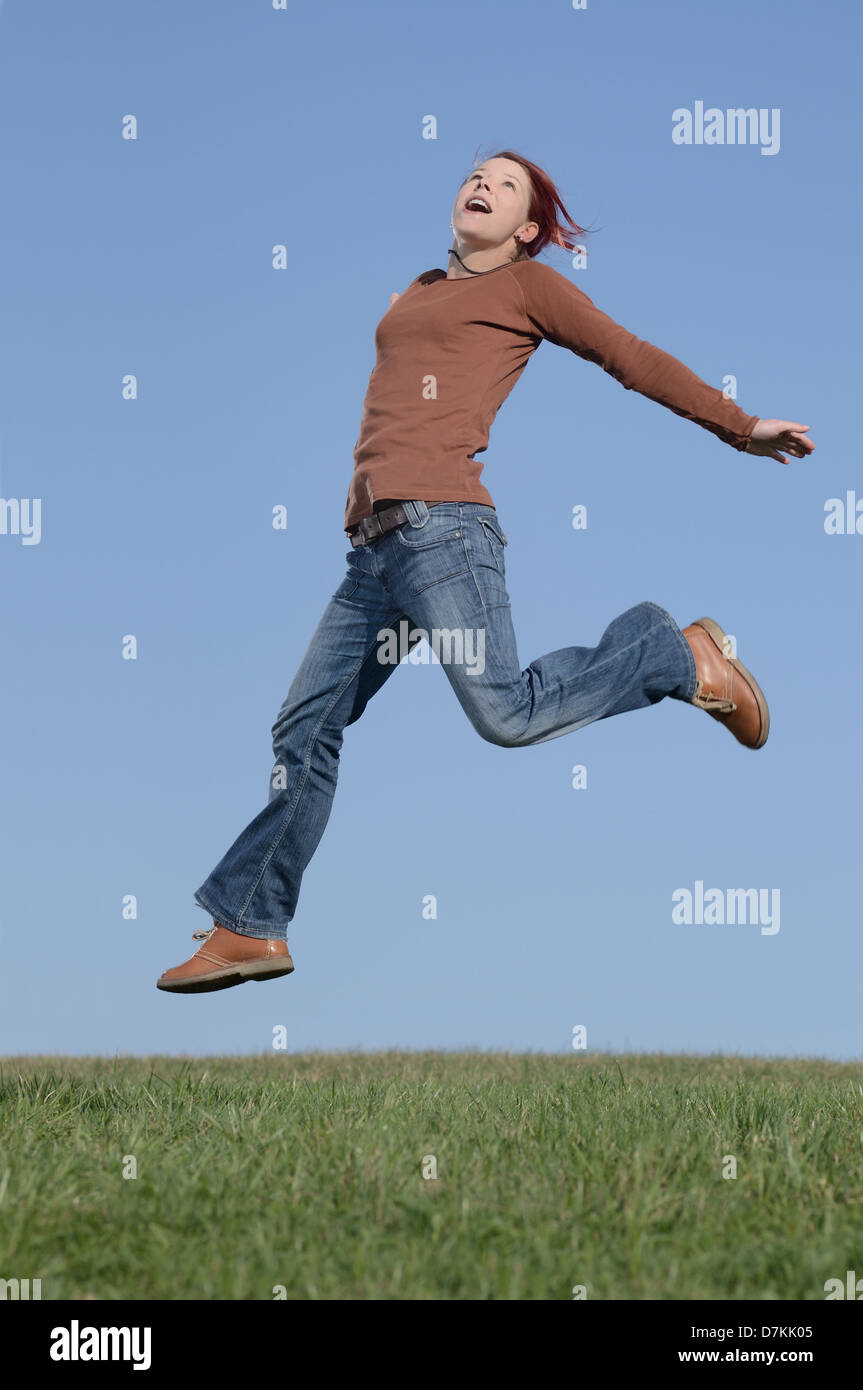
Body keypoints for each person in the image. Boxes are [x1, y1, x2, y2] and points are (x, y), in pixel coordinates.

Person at [157, 149, 814, 995]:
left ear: (528, 229)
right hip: (372, 553)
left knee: (504, 715)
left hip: (444, 534)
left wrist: (739, 424)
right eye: (475, 174)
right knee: (303, 729)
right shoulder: (423, 290)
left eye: (505, 186)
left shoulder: (528, 288)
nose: (481, 186)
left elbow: (629, 355)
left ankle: (672, 656)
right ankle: (250, 921)